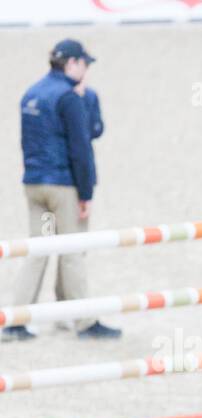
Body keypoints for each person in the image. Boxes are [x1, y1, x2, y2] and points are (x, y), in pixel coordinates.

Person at [4, 39, 120, 341]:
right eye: (84, 64)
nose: (86, 71)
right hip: (63, 188)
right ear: (72, 64)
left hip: (35, 185)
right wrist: (86, 193)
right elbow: (82, 146)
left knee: (37, 249)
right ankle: (81, 319)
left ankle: (17, 319)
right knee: (72, 251)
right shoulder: (69, 97)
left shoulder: (32, 93)